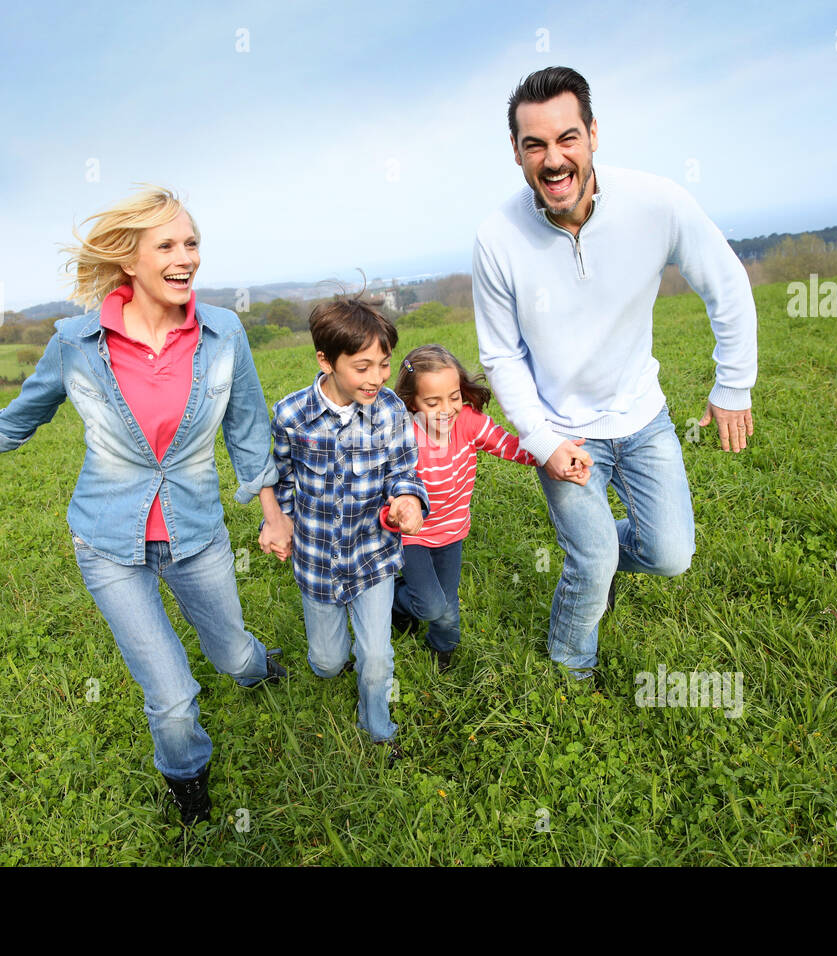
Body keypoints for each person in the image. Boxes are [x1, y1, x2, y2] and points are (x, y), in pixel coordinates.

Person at [0, 185, 293, 826]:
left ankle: (259, 668)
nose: (187, 258)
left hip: (198, 533)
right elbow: (25, 413)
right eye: (168, 246)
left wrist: (272, 512)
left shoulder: (222, 333)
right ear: (129, 260)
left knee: (234, 656)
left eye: (192, 243)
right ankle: (189, 787)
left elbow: (246, 429)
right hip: (107, 541)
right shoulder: (76, 342)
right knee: (174, 698)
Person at [472, 66, 758, 678]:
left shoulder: (657, 203)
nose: (553, 159)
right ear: (517, 152)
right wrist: (544, 443)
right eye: (535, 145)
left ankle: (593, 549)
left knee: (671, 554)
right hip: (563, 433)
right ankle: (570, 670)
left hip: (642, 417)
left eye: (567, 138)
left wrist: (733, 385)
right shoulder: (497, 238)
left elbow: (728, 286)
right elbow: (500, 355)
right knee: (595, 559)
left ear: (593, 134)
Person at [267, 295, 428, 762]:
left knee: (376, 657)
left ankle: (377, 726)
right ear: (325, 360)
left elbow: (404, 470)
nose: (376, 377)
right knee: (327, 661)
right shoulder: (291, 415)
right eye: (361, 367)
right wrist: (278, 521)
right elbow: (283, 481)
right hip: (317, 561)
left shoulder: (392, 410)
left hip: (373, 556)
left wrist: (406, 499)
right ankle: (332, 663)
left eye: (383, 364)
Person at [389, 344, 588, 671]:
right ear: (411, 402)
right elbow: (387, 479)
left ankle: (443, 648)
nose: (447, 409)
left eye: (453, 397)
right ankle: (399, 601)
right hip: (412, 536)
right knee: (430, 605)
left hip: (453, 532)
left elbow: (510, 447)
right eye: (432, 401)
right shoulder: (403, 434)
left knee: (448, 605)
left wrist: (550, 451)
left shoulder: (468, 422)